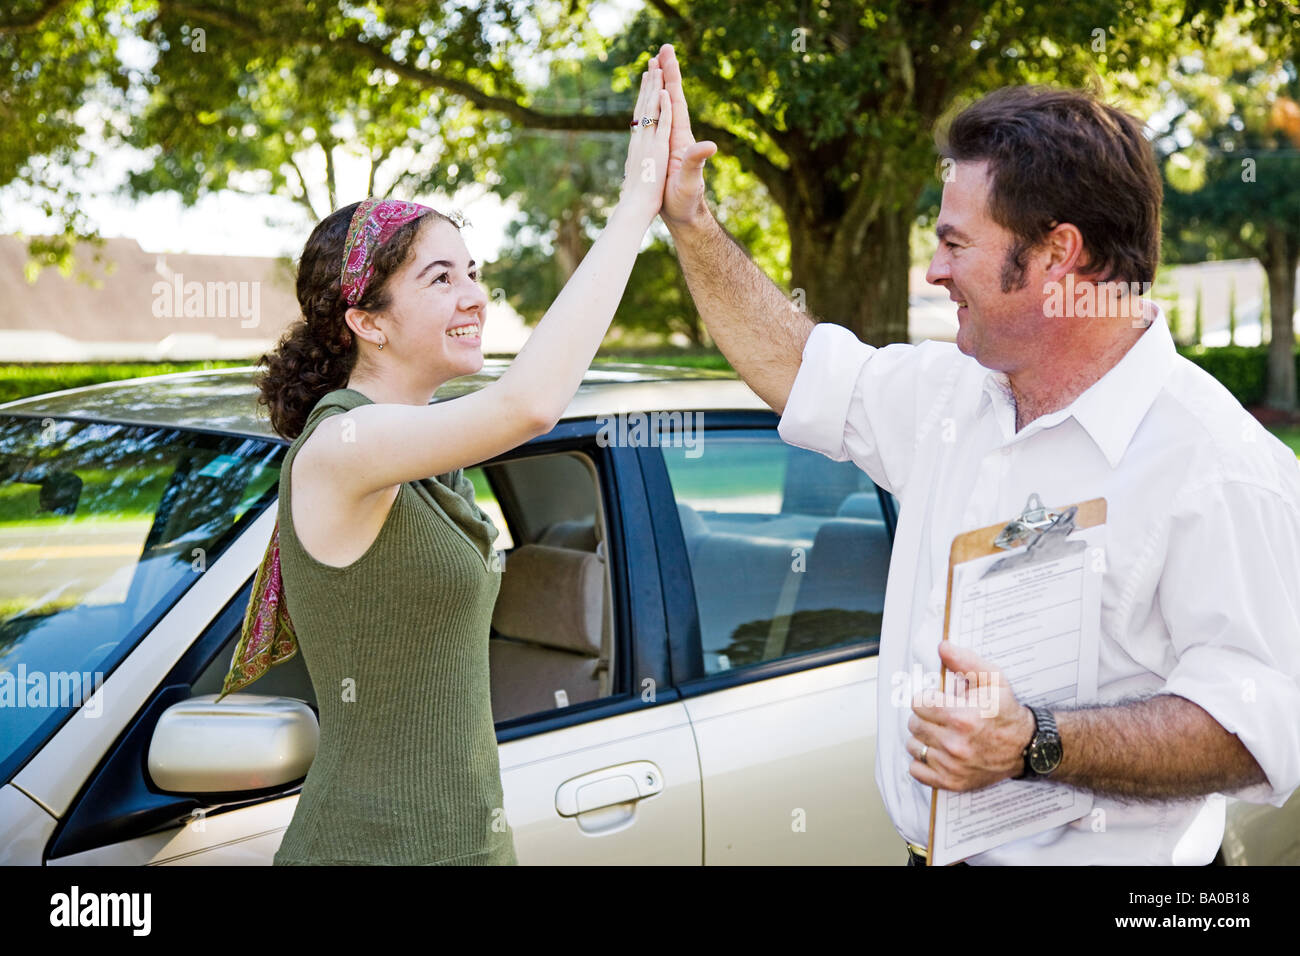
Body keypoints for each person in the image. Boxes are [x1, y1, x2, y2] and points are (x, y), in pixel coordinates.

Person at [652, 43, 1300, 865]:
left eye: (956, 245)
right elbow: (798, 363)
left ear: (1058, 254)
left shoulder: (1218, 464)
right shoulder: (949, 395)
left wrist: (1037, 739)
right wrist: (690, 219)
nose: (932, 270)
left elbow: (1257, 727)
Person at [218, 58, 673, 865]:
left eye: (474, 273)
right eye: (440, 278)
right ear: (368, 320)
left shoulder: (424, 456)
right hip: (369, 851)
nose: (474, 296)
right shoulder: (343, 448)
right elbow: (528, 405)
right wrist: (638, 200)